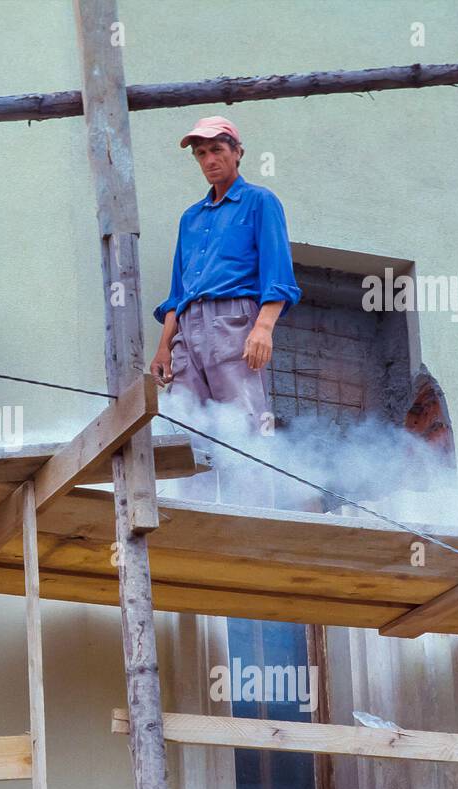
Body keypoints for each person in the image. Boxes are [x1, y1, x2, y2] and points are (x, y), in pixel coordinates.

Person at [150, 115, 301, 504]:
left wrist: (263, 327)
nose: (209, 160)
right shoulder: (190, 218)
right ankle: (196, 511)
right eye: (201, 154)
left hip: (233, 321)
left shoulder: (259, 202)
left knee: (242, 422)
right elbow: (178, 292)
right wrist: (164, 346)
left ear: (237, 152)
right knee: (186, 426)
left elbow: (277, 272)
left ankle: (251, 514)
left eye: (217, 149)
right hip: (188, 328)